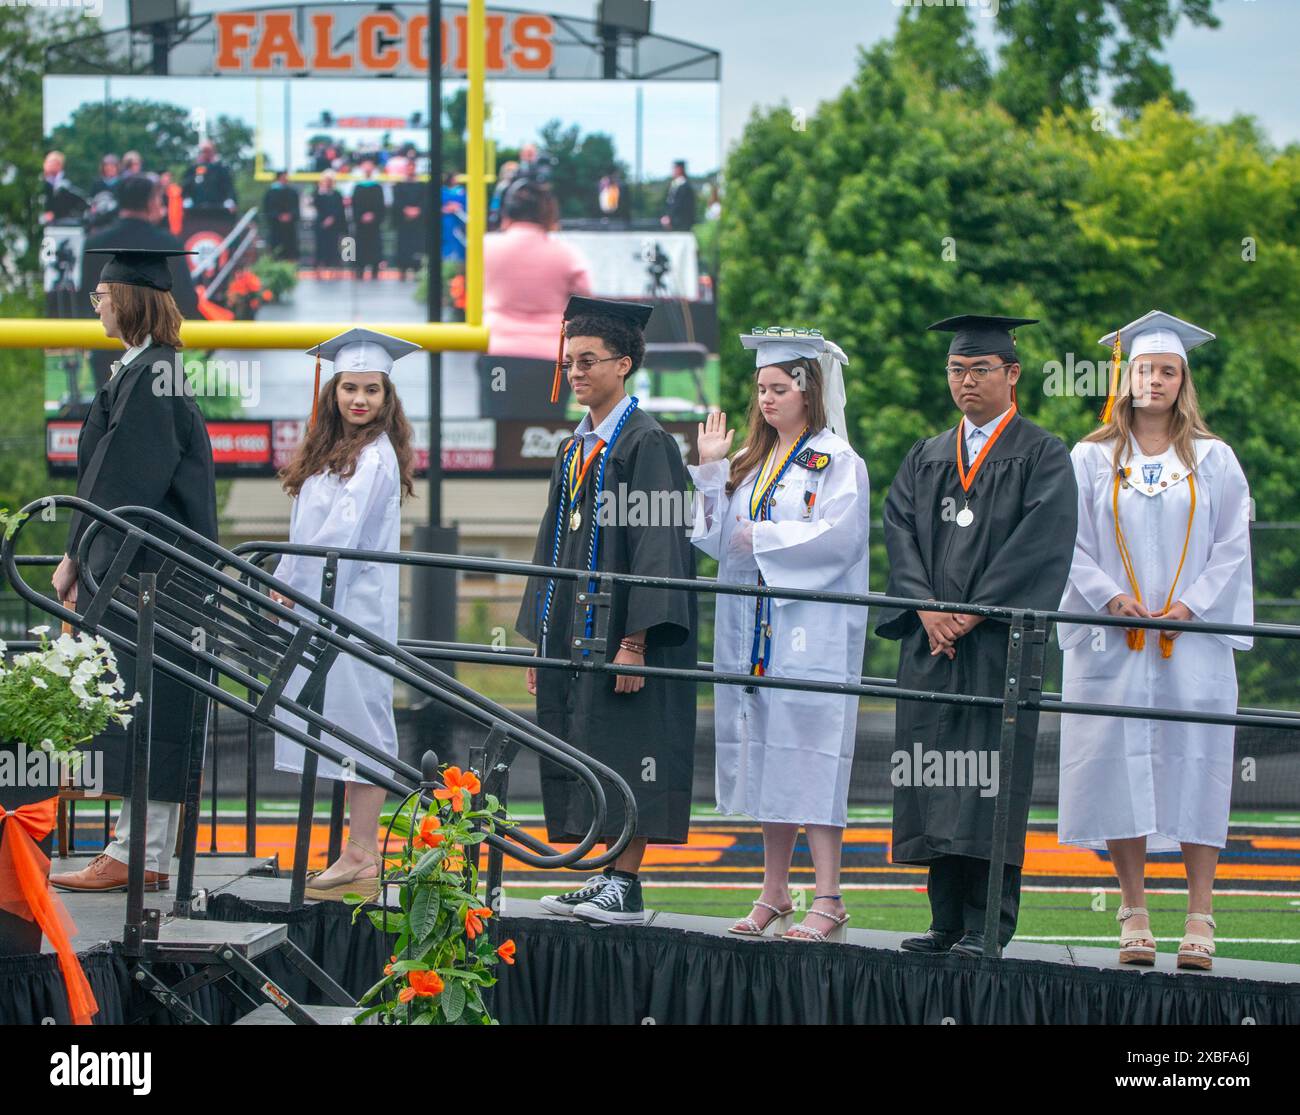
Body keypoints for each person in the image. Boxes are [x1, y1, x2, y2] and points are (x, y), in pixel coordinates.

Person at [1057, 311, 1253, 971]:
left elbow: (1231, 546)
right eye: (1145, 369)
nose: (1156, 380)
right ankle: (1133, 908)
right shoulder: (1088, 458)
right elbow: (1070, 542)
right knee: (1118, 760)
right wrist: (1111, 598)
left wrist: (1192, 606)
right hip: (1115, 638)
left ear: (1182, 379)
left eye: (1168, 370)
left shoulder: (1214, 459)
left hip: (1191, 641)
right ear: (1126, 377)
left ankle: (1201, 913)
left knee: (1195, 760)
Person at [877, 314, 1077, 958]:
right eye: (956, 369)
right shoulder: (926, 454)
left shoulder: (1043, 454)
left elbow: (1041, 544)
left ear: (1012, 374)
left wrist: (975, 611)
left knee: (992, 778)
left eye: (980, 369)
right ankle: (945, 922)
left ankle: (988, 924)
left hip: (998, 646)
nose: (966, 381)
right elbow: (900, 532)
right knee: (934, 773)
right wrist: (928, 609)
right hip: (931, 646)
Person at [516, 296, 697, 926]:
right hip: (573, 633)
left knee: (629, 745)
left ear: (623, 365)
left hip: (623, 633)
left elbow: (660, 547)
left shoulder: (649, 445)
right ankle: (602, 876)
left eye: (587, 361)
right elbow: (549, 547)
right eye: (569, 363)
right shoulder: (576, 448)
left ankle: (626, 883)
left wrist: (637, 641)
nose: (575, 373)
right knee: (587, 745)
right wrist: (542, 639)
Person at [690, 329, 870, 941]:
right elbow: (715, 542)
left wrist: (762, 540)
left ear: (808, 390)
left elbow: (839, 540)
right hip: (752, 634)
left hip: (809, 633)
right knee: (763, 753)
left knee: (812, 753)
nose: (767, 399)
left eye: (780, 387)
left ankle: (829, 895)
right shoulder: (752, 462)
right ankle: (774, 892)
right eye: (761, 388)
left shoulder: (837, 460)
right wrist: (712, 469)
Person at [49, 246, 218, 894]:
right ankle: (136, 850)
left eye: (101, 291)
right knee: (148, 708)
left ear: (128, 297)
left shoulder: (152, 376)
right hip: (152, 572)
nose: (95, 301)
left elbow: (124, 479)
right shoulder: (149, 371)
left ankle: (136, 852)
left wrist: (74, 553)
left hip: (152, 578)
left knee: (150, 707)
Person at [270, 328, 418, 900]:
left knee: (362, 725)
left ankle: (362, 852)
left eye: (372, 391)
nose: (360, 400)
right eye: (350, 388)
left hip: (352, 608)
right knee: (337, 724)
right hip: (324, 603)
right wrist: (286, 581)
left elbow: (340, 536)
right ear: (333, 392)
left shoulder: (375, 457)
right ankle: (356, 851)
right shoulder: (333, 450)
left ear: (387, 398)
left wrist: (289, 585)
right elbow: (309, 532)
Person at [81, 175, 200, 392]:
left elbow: (85, 300)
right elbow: (187, 301)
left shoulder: (94, 244)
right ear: (151, 202)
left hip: (105, 349)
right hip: (157, 353)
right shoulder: (169, 244)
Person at [483, 179, 591, 359]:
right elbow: (585, 295)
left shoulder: (485, 247)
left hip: (497, 348)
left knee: (500, 388)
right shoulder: (566, 253)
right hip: (550, 354)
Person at [350, 161, 386, 280]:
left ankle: (375, 269)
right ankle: (360, 269)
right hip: (361, 224)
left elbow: (381, 205)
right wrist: (361, 216)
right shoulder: (357, 187)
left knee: (375, 246)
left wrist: (374, 216)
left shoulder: (378, 187)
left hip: (374, 224)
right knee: (360, 246)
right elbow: (354, 205)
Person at [181, 140, 237, 214]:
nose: (205, 154)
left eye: (208, 151)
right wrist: (186, 199)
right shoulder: (192, 169)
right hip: (196, 209)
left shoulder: (221, 169)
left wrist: (230, 200)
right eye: (203, 151)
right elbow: (185, 187)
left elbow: (229, 188)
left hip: (218, 209)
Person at [391, 163, 427, 279]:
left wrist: (418, 210)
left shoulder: (422, 186)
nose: (410, 170)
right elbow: (397, 202)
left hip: (418, 222)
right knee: (403, 246)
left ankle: (417, 270)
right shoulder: (399, 186)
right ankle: (402, 270)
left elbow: (425, 200)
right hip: (403, 221)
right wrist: (405, 210)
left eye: (412, 167)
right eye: (408, 168)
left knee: (417, 246)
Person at [312, 171, 349, 276]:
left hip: (334, 225)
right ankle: (320, 266)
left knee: (333, 246)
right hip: (321, 224)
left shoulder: (337, 194)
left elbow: (339, 209)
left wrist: (332, 218)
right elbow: (316, 205)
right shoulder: (318, 194)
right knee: (321, 246)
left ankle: (334, 267)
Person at [40, 151, 89, 226]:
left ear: (59, 165)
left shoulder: (68, 183)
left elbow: (78, 203)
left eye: (51, 162)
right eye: (47, 162)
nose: (47, 165)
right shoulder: (40, 182)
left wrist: (55, 214)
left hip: (64, 223)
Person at [263, 171, 301, 261]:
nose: (286, 179)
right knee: (276, 250)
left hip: (289, 227)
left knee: (290, 250)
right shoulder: (270, 193)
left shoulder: (292, 192)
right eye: (284, 177)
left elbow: (296, 208)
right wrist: (278, 216)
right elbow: (268, 209)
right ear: (278, 178)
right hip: (276, 226)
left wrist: (290, 215)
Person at [661, 159, 696, 231]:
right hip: (671, 221)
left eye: (675, 168)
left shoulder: (685, 186)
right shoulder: (674, 184)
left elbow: (680, 205)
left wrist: (671, 217)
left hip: (680, 222)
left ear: (680, 169)